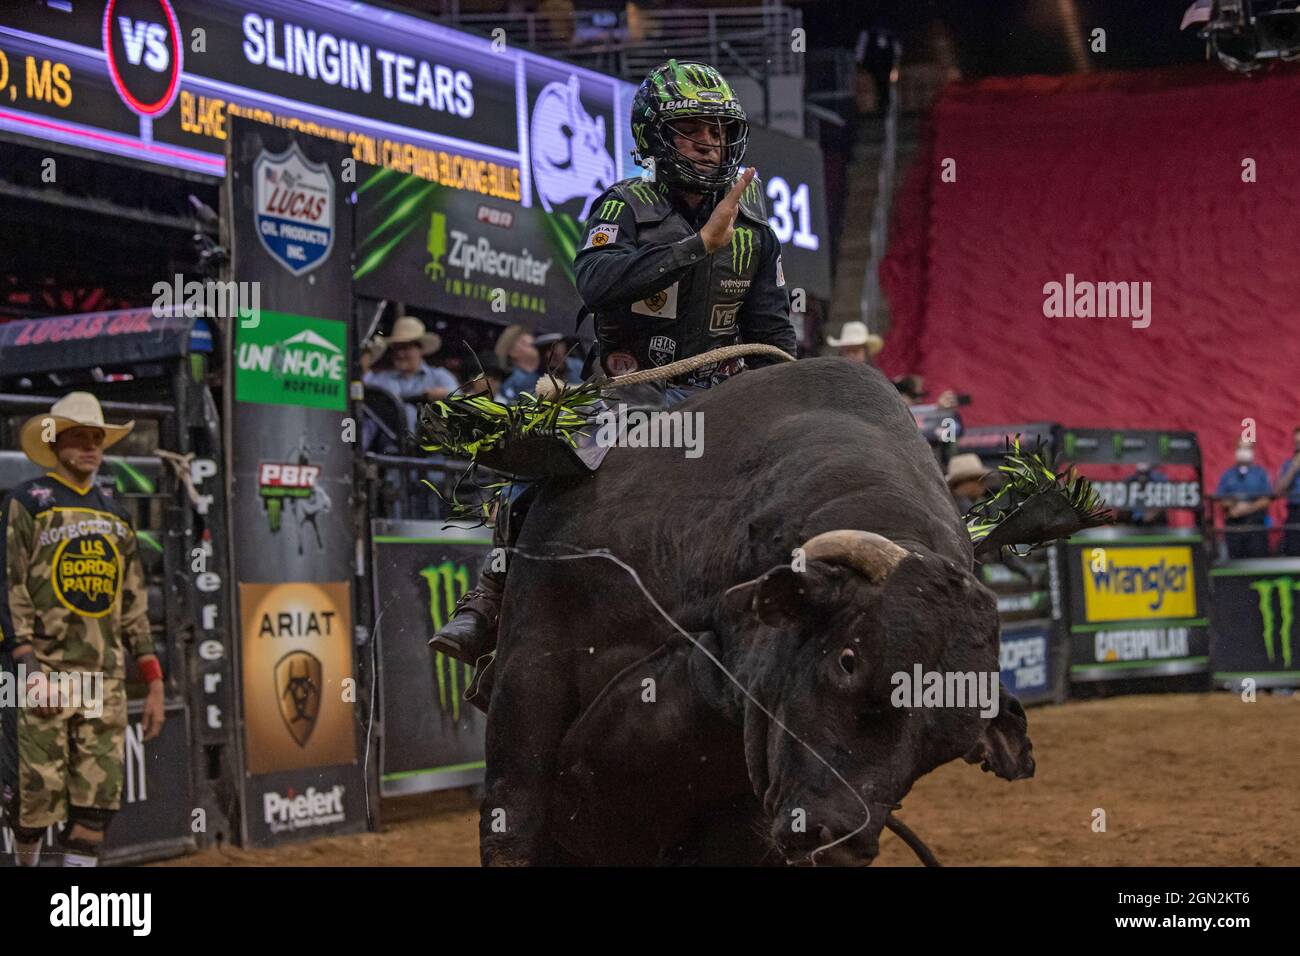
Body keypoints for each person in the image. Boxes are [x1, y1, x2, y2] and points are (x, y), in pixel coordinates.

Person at [431, 57, 797, 667]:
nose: (709, 140)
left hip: (730, 397)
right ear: (655, 136)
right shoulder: (622, 203)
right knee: (541, 457)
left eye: (718, 128)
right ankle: (489, 598)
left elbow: (771, 334)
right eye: (693, 127)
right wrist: (697, 246)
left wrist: (786, 402)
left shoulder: (755, 225)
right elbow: (595, 282)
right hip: (635, 393)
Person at [0, 392, 164, 867]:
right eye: (79, 437)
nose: (91, 446)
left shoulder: (115, 510)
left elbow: (132, 601)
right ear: (56, 443)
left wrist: (152, 680)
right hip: (44, 672)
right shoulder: (28, 502)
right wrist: (26, 664)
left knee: (96, 803)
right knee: (31, 804)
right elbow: (8, 586)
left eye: (97, 438)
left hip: (103, 677)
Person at [363, 316, 459, 432]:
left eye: (405, 348)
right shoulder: (382, 379)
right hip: (388, 446)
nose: (400, 354)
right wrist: (370, 353)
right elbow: (359, 382)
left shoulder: (439, 376)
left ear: (420, 349)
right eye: (396, 348)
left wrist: (444, 396)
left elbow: (461, 401)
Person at [1215, 440, 1272, 559]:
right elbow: (1221, 498)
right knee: (1235, 563)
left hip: (1255, 525)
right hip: (1235, 525)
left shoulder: (1260, 474)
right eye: (1240, 448)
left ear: (1252, 452)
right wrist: (1234, 505)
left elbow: (1267, 499)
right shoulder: (1228, 475)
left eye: (1246, 449)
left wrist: (1247, 508)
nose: (1243, 452)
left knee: (1257, 561)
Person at [495, 325, 541, 403]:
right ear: (512, 352)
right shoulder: (512, 379)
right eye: (524, 343)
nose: (531, 343)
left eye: (534, 343)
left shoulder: (544, 372)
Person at [1118, 461, 1171, 526]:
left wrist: (1151, 514)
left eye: (1145, 474)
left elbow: (1165, 503)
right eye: (1140, 474)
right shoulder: (1128, 481)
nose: (1142, 477)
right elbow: (1122, 506)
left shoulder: (1160, 480)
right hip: (1133, 522)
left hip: (1156, 523)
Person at [1274, 427, 1300, 556]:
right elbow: (1279, 489)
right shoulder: (1288, 465)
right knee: (1294, 549)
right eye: (1297, 443)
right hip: (1294, 511)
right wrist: (1294, 467)